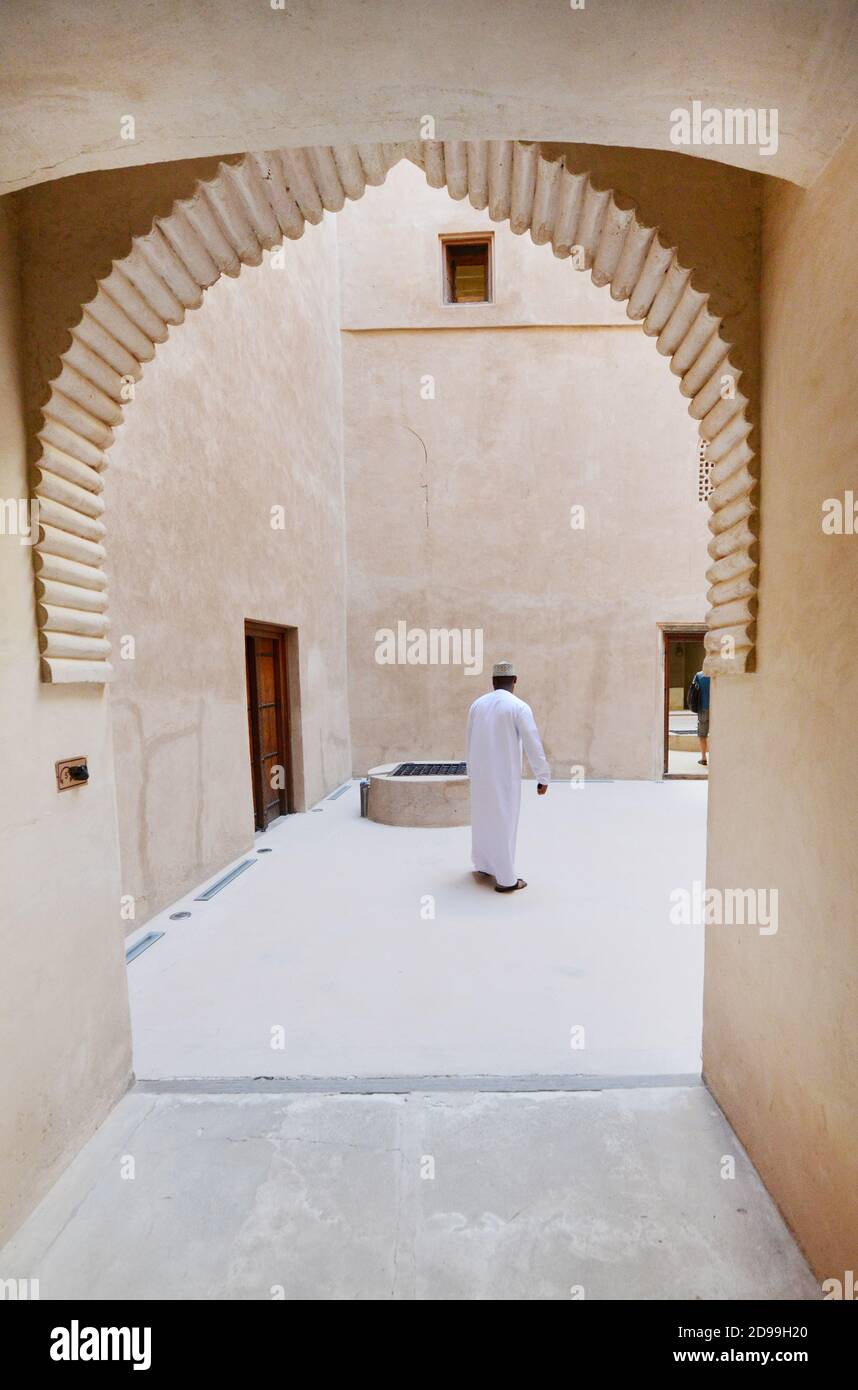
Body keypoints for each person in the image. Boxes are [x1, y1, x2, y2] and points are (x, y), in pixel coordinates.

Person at [465, 660, 550, 893]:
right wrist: (543, 777)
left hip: (480, 776)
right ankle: (506, 879)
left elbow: (469, 740)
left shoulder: (477, 705)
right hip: (504, 776)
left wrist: (470, 770)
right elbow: (533, 744)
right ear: (515, 680)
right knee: (504, 822)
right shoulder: (519, 707)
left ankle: (483, 865)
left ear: (493, 682)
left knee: (482, 819)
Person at [689, 668, 711, 766]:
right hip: (717, 709)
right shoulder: (717, 674)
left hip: (703, 708)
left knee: (703, 735)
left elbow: (693, 690)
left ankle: (703, 758)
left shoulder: (699, 675)